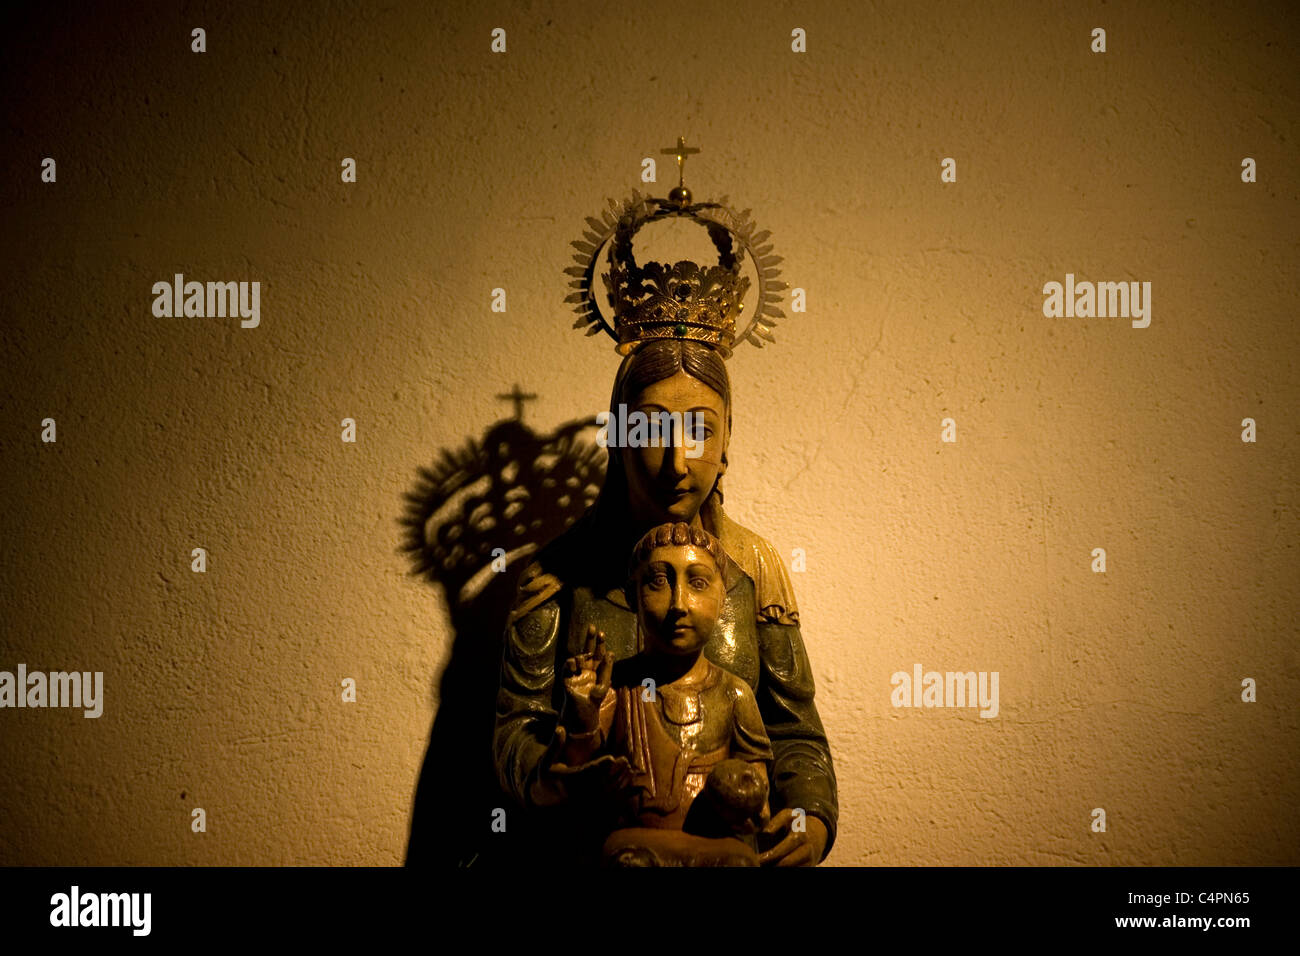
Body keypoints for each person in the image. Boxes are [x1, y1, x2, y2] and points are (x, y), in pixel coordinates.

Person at [493, 338, 838, 866]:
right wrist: (561, 773)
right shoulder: (556, 578)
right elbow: (517, 729)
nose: (678, 461)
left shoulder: (755, 570)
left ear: (727, 441)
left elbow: (794, 731)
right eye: (652, 429)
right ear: (620, 437)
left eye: (700, 430)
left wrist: (807, 817)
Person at [551, 521, 773, 864]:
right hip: (635, 845)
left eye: (698, 583)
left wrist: (748, 799)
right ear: (632, 596)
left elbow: (758, 789)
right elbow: (575, 778)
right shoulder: (618, 688)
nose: (679, 604)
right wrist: (583, 713)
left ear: (722, 597)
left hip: (715, 846)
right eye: (658, 582)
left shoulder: (734, 694)